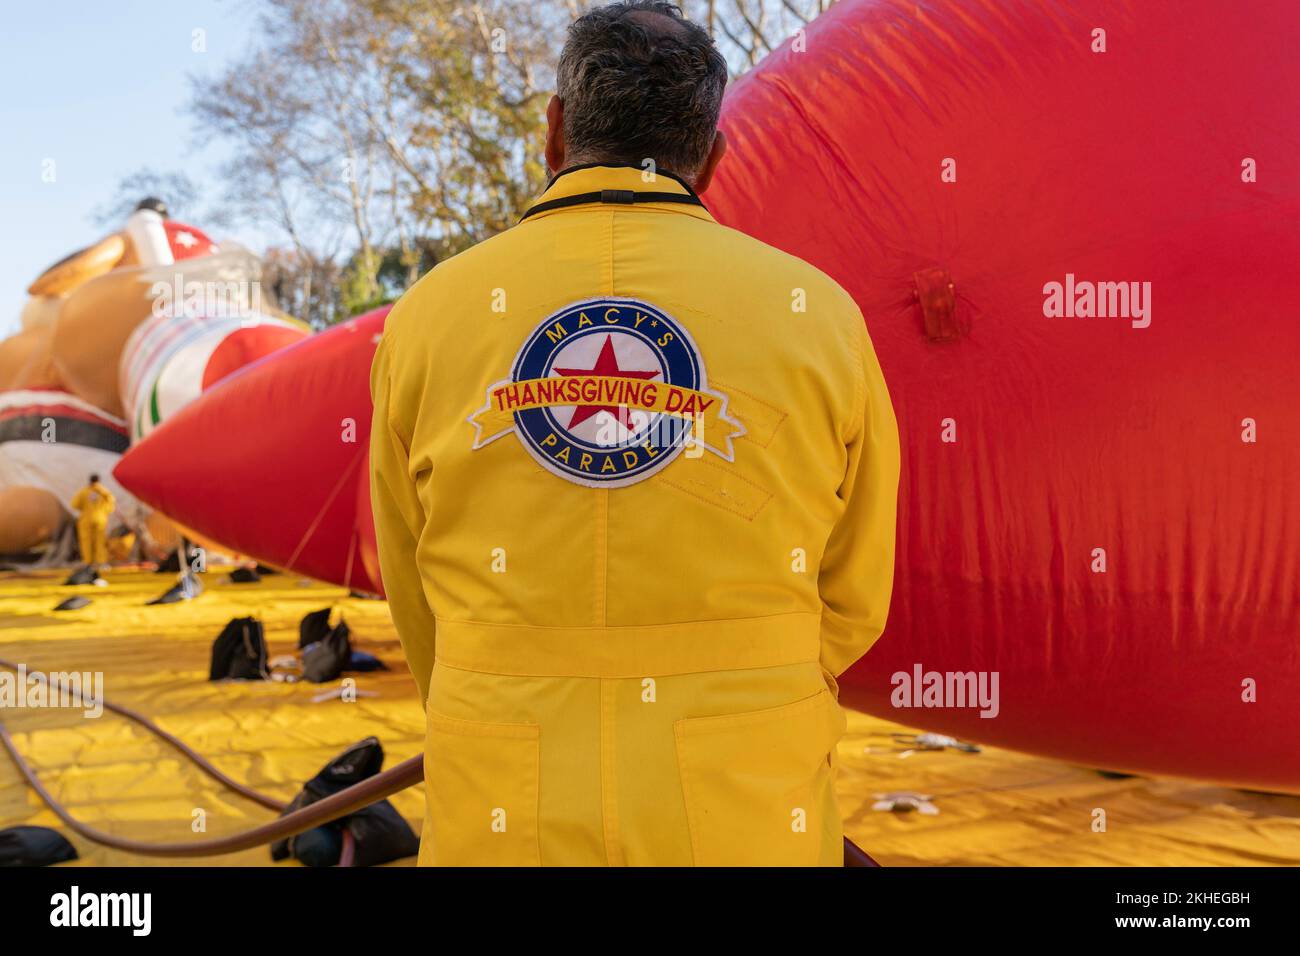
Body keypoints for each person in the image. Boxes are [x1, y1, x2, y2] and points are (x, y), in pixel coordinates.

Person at [370, 0, 899, 866]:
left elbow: (411, 581)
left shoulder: (428, 317)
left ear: (554, 131)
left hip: (501, 796)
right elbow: (854, 592)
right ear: (714, 157)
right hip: (746, 799)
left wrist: (503, 690)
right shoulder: (817, 316)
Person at [70, 473, 116, 570]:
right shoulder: (104, 492)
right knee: (100, 542)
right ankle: (102, 563)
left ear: (90, 480)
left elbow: (74, 504)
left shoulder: (84, 492)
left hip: (86, 519)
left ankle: (88, 563)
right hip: (100, 519)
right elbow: (111, 504)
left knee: (86, 541)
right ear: (98, 480)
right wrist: (104, 511)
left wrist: (85, 508)